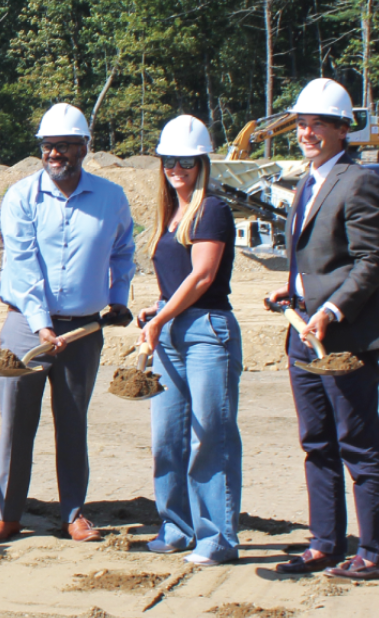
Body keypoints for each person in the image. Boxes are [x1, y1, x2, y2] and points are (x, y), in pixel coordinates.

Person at [265, 78, 379, 580]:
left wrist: (332, 310)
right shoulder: (308, 180)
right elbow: (317, 259)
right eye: (301, 123)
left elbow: (369, 262)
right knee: (316, 442)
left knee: (358, 446)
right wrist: (294, 292)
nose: (306, 132)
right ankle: (324, 543)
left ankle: (373, 553)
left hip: (346, 337)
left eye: (317, 124)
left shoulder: (360, 179)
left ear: (344, 129)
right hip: (304, 333)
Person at [0, 103, 135, 544]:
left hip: (84, 330)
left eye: (66, 146)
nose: (56, 153)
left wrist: (117, 298)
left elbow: (124, 251)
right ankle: (6, 514)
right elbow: (24, 263)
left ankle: (73, 514)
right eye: (49, 146)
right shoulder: (20, 196)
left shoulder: (111, 198)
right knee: (15, 422)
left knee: (72, 421)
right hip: (25, 328)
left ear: (86, 147)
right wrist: (41, 323)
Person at [137, 116, 241, 566]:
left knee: (209, 437)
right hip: (172, 332)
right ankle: (176, 526)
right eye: (168, 160)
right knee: (167, 438)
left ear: (201, 163)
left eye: (185, 161)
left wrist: (162, 316)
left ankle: (216, 538)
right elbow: (177, 279)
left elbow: (202, 276)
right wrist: (157, 307)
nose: (175, 168)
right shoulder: (169, 214)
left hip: (207, 334)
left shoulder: (212, 210)